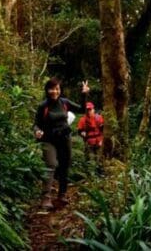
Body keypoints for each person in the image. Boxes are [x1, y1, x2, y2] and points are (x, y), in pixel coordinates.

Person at [33, 78, 89, 209]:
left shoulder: (64, 102)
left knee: (64, 165)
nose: (54, 91)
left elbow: (81, 109)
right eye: (52, 89)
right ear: (47, 90)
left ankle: (62, 194)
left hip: (64, 138)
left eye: (57, 89)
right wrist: (37, 131)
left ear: (60, 90)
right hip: (48, 140)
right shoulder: (43, 106)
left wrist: (84, 94)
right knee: (51, 164)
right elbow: (36, 124)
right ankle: (46, 198)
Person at [77, 102, 104, 173]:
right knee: (90, 159)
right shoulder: (82, 120)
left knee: (99, 158)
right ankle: (89, 174)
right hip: (89, 141)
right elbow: (79, 131)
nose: (89, 111)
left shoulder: (99, 118)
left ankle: (100, 173)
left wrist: (102, 140)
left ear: (93, 109)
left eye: (90, 109)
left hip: (98, 140)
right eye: (87, 110)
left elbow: (103, 130)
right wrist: (82, 133)